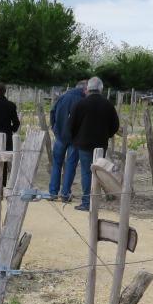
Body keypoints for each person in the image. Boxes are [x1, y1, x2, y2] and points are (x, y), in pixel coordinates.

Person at [67, 76, 119, 211]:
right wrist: (107, 135)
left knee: (86, 172)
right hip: (101, 144)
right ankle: (95, 200)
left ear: (88, 88)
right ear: (101, 89)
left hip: (83, 144)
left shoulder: (80, 104)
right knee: (99, 171)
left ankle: (87, 202)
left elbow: (71, 125)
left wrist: (76, 138)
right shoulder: (108, 105)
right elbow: (115, 126)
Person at [48, 79, 86, 202]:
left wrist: (54, 128)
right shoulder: (83, 101)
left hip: (60, 136)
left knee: (57, 165)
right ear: (84, 89)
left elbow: (52, 112)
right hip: (75, 138)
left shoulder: (63, 97)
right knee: (71, 165)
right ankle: (65, 193)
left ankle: (53, 192)